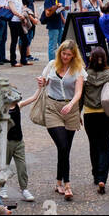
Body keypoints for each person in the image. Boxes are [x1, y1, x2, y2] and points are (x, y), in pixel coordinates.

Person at [37, 39, 85, 201]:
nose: (65, 57)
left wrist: (72, 105)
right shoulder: (52, 65)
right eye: (63, 53)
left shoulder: (78, 68)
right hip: (52, 107)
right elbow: (44, 81)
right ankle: (67, 185)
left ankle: (58, 182)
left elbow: (79, 91)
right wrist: (42, 82)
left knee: (65, 149)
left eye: (69, 55)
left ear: (73, 55)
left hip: (70, 109)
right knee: (63, 145)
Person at [81, 47, 109, 193]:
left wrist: (77, 113)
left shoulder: (85, 75)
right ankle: (102, 178)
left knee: (93, 145)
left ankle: (96, 175)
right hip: (105, 114)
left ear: (91, 59)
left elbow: (80, 94)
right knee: (104, 147)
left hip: (90, 114)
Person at [0, 87, 38, 204]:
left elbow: (33, 98)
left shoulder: (18, 106)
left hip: (19, 141)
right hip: (6, 142)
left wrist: (41, 87)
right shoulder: (3, 109)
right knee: (4, 167)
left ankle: (24, 189)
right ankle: (2, 187)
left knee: (22, 167)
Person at [7, 0, 31, 67]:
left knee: (25, 39)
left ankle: (23, 59)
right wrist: (21, 16)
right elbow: (13, 10)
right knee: (14, 40)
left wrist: (24, 15)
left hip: (20, 21)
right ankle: (13, 61)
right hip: (14, 21)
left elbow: (21, 8)